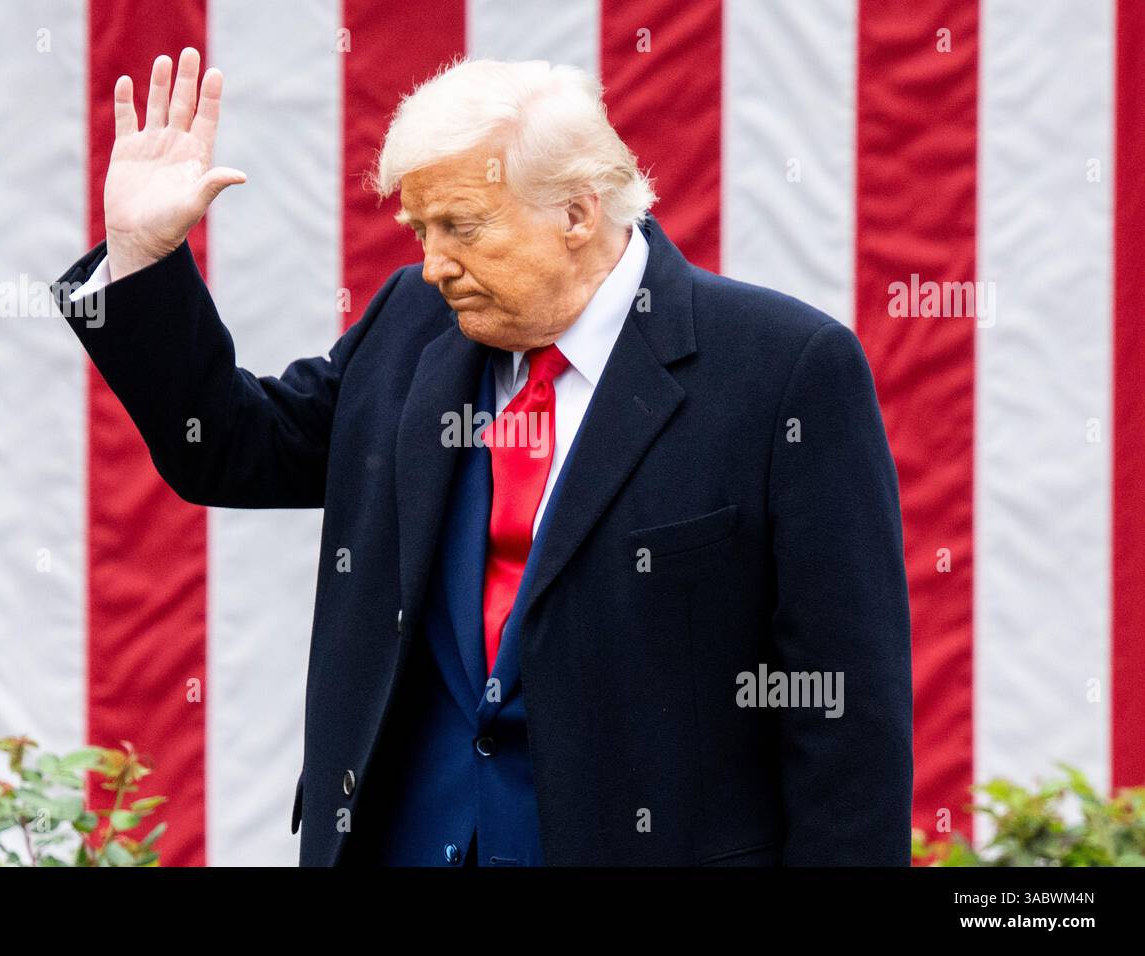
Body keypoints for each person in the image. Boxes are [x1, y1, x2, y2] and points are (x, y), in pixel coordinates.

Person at [53, 49, 913, 866]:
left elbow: (847, 717)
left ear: (577, 212)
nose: (431, 266)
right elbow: (232, 449)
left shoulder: (784, 369)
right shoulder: (413, 327)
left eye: (459, 227)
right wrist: (143, 256)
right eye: (420, 228)